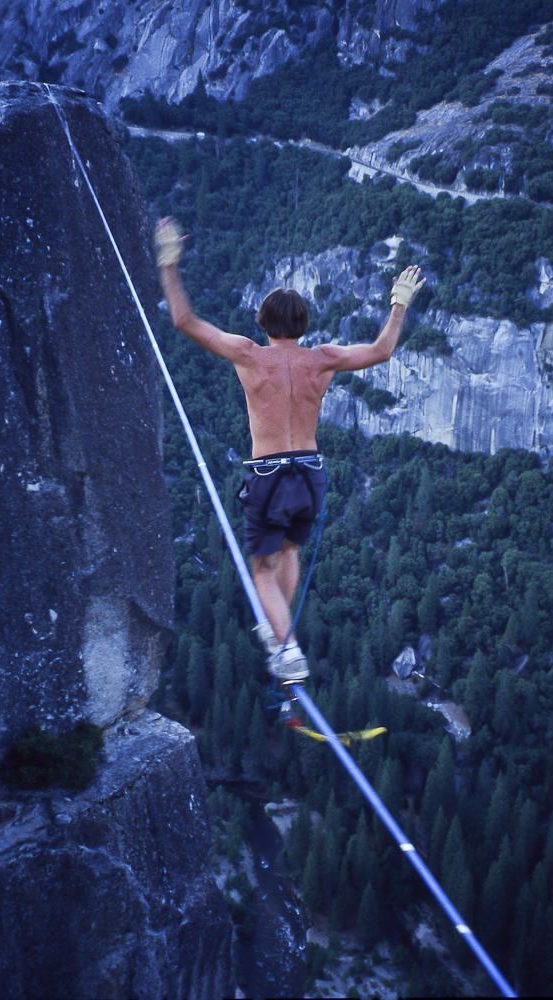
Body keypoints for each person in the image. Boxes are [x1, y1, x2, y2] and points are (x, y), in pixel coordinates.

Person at [155, 218, 424, 681]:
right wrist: (398, 304)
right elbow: (382, 350)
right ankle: (282, 629)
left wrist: (169, 265)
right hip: (311, 472)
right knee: (290, 550)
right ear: (302, 324)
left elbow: (183, 321)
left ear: (262, 322)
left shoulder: (249, 354)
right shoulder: (324, 359)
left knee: (262, 569)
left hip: (269, 474)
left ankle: (289, 649)